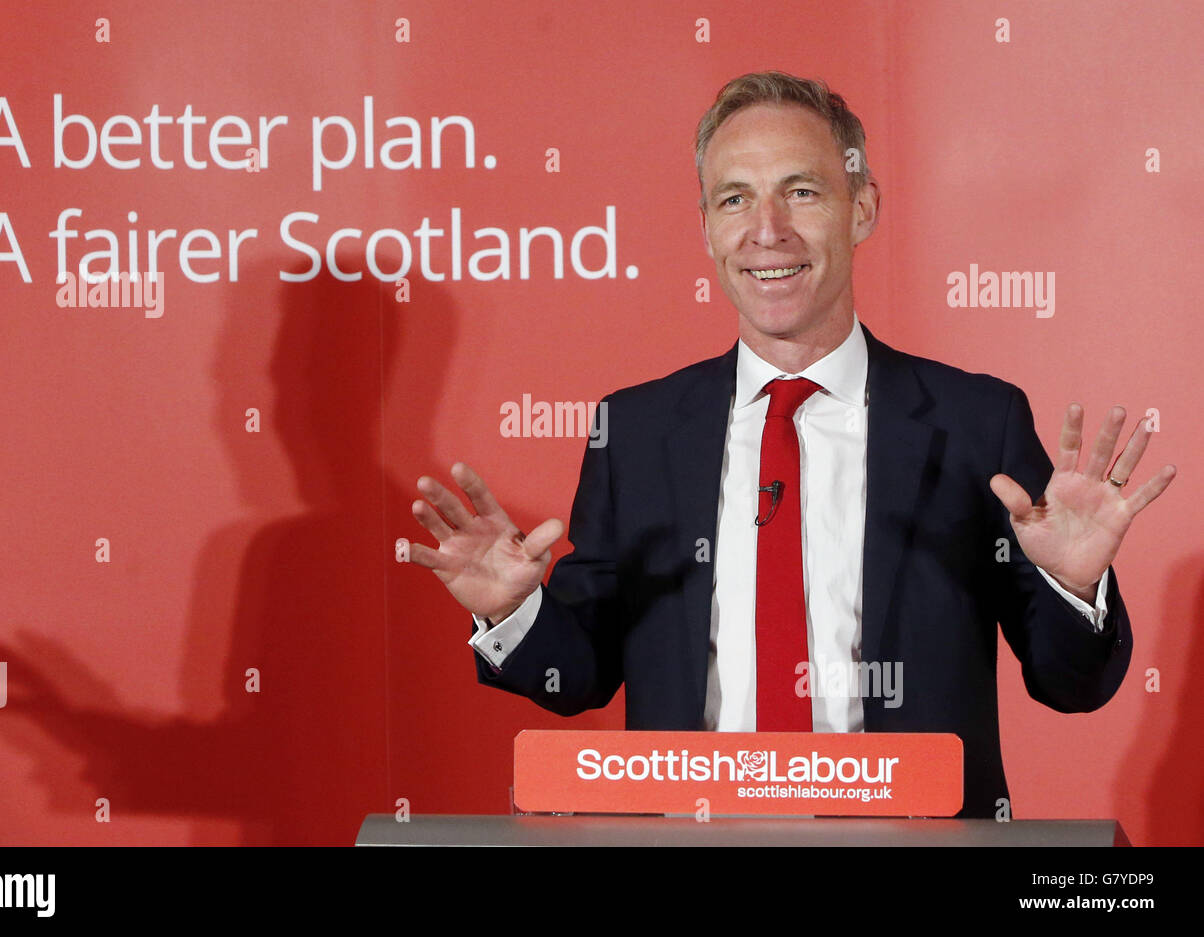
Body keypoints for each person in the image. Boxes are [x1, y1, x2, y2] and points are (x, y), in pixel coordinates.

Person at [406, 71, 1176, 818]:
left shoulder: (978, 422)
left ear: (862, 206)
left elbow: (1070, 683)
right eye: (734, 198)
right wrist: (514, 612)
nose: (766, 230)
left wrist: (1076, 590)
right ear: (706, 226)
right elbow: (577, 675)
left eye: (801, 191)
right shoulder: (637, 432)